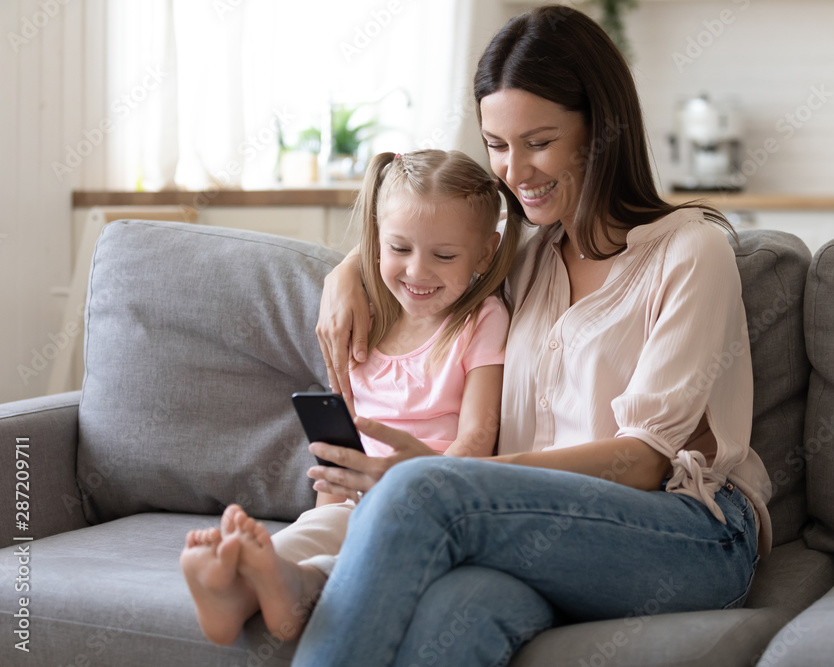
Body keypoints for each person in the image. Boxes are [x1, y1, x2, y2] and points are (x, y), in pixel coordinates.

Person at [291, 5, 775, 667]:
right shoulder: (526, 262)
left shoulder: (690, 251)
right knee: (455, 613)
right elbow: (431, 249)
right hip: (543, 534)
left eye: (538, 141)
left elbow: (642, 460)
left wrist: (465, 480)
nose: (513, 171)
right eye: (496, 144)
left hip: (686, 532)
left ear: (599, 131)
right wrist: (348, 269)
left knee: (419, 489)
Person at [179, 149, 521, 645]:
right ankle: (237, 587)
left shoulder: (482, 321)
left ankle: (284, 588)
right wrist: (323, 508)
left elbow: (477, 438)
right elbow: (340, 450)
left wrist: (411, 480)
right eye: (399, 248)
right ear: (377, 242)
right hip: (349, 502)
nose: (417, 272)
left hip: (424, 507)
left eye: (444, 256)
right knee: (310, 533)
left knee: (364, 549)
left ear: (485, 253)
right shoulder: (366, 321)